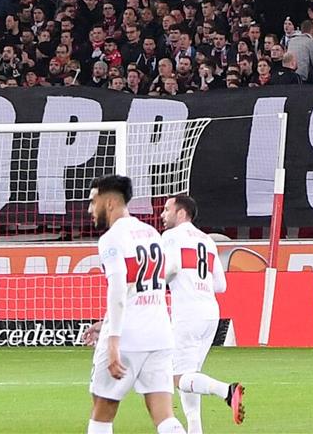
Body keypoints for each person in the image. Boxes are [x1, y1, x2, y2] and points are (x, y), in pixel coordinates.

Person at [90, 175, 186, 434]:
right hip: (159, 334)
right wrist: (106, 320)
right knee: (164, 416)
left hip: (127, 338)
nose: (90, 209)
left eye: (93, 201)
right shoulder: (152, 233)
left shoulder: (111, 239)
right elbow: (146, 283)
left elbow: (120, 288)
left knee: (102, 412)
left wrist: (112, 338)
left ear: (109, 202)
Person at [160, 195, 245, 431]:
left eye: (167, 210)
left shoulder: (170, 236)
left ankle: (226, 390)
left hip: (187, 313)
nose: (162, 215)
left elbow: (170, 269)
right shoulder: (207, 241)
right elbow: (221, 285)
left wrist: (156, 282)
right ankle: (195, 429)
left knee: (177, 378)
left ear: (181, 213)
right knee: (190, 376)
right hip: (210, 313)